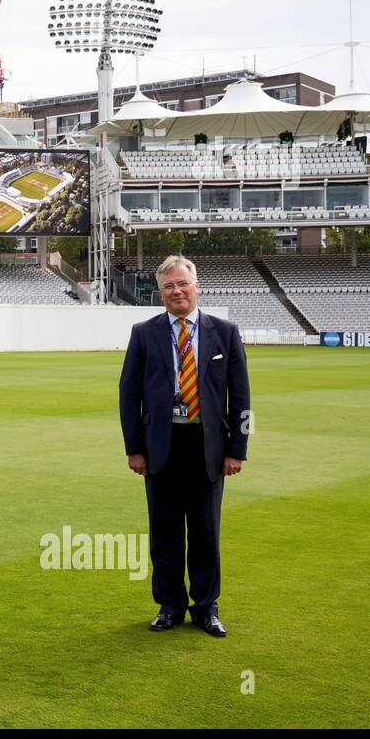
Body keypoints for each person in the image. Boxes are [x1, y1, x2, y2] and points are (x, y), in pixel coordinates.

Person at [118, 255, 250, 637]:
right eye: (168, 286)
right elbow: (129, 394)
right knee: (165, 532)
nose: (177, 291)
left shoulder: (224, 332)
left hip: (207, 446)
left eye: (182, 284)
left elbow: (240, 397)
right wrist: (134, 448)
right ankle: (170, 605)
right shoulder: (144, 332)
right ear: (160, 293)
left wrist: (236, 450)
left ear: (197, 286)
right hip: (161, 445)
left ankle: (206, 608)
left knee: (207, 533)